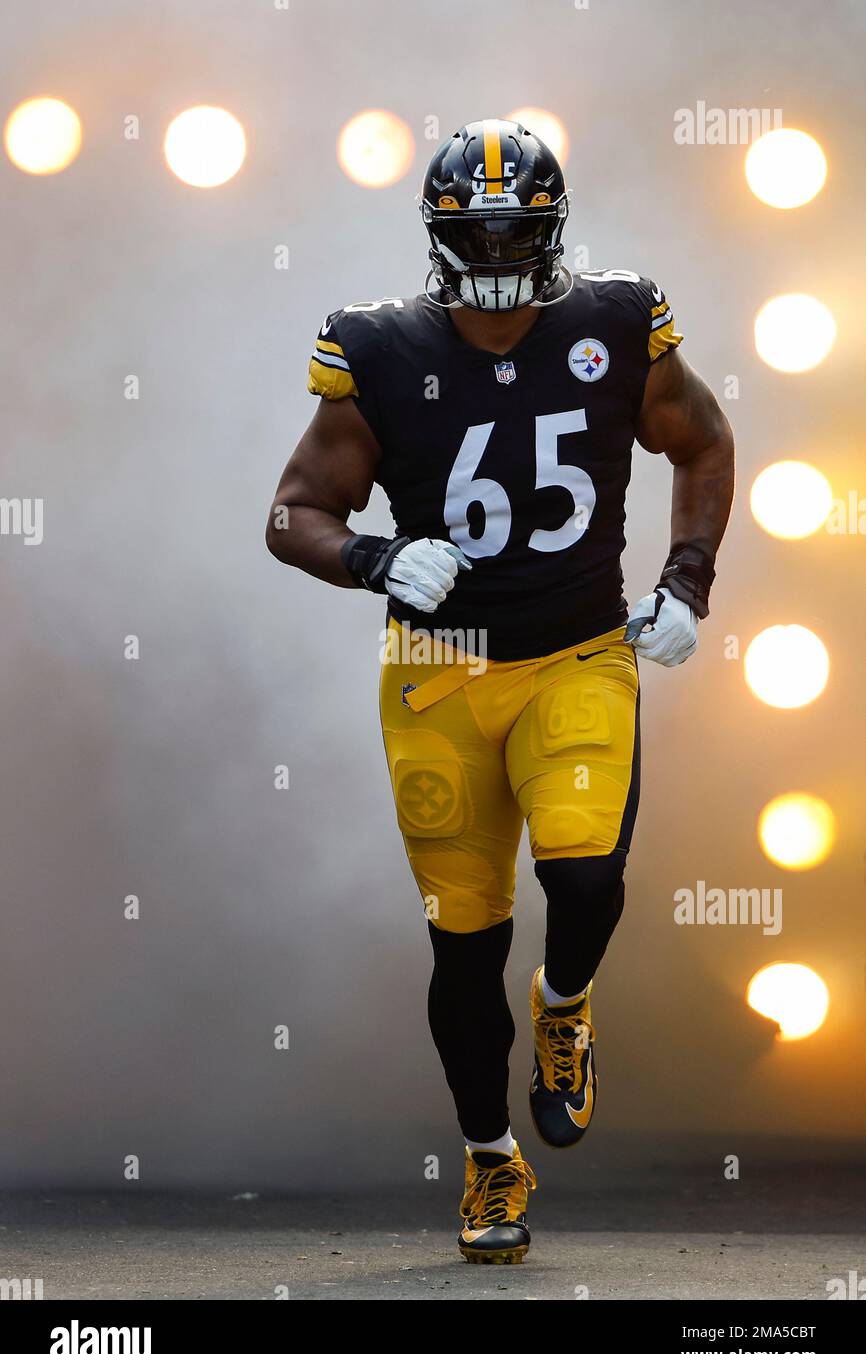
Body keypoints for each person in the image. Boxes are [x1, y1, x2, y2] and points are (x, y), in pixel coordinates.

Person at [266, 118, 735, 1264]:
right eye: (469, 232)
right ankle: (486, 1161)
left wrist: (683, 583)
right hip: (436, 672)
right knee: (462, 944)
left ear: (551, 228)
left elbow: (704, 441)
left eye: (510, 230)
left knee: (583, 880)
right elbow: (290, 515)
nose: (489, 251)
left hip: (575, 649)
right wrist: (374, 557)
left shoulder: (614, 321)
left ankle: (564, 1006)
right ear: (434, 237)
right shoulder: (374, 345)